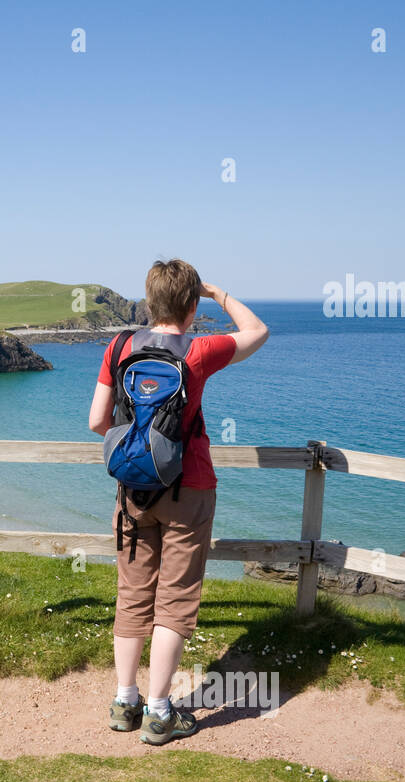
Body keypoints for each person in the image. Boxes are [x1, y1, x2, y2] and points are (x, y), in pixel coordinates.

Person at [87, 259, 268, 744]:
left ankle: (126, 702)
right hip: (190, 488)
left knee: (132, 594)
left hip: (134, 491)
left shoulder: (120, 345)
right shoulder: (200, 350)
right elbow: (258, 330)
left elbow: (96, 422)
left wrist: (139, 450)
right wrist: (218, 293)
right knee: (175, 601)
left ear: (149, 303)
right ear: (191, 307)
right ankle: (161, 712)